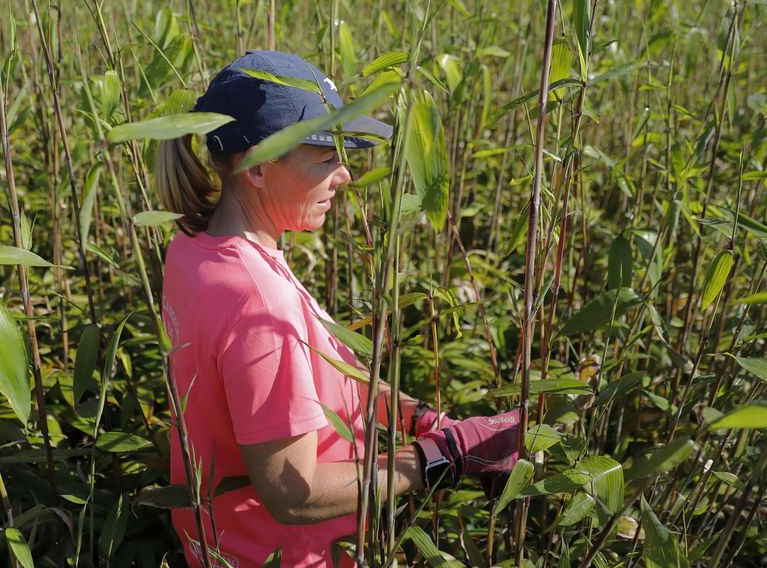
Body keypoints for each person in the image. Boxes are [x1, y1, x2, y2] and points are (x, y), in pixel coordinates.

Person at [155, 50, 520, 567]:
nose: (345, 176)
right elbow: (294, 492)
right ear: (257, 166)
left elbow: (322, 369)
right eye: (325, 158)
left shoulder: (196, 248)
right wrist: (444, 457)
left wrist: (421, 418)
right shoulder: (258, 300)